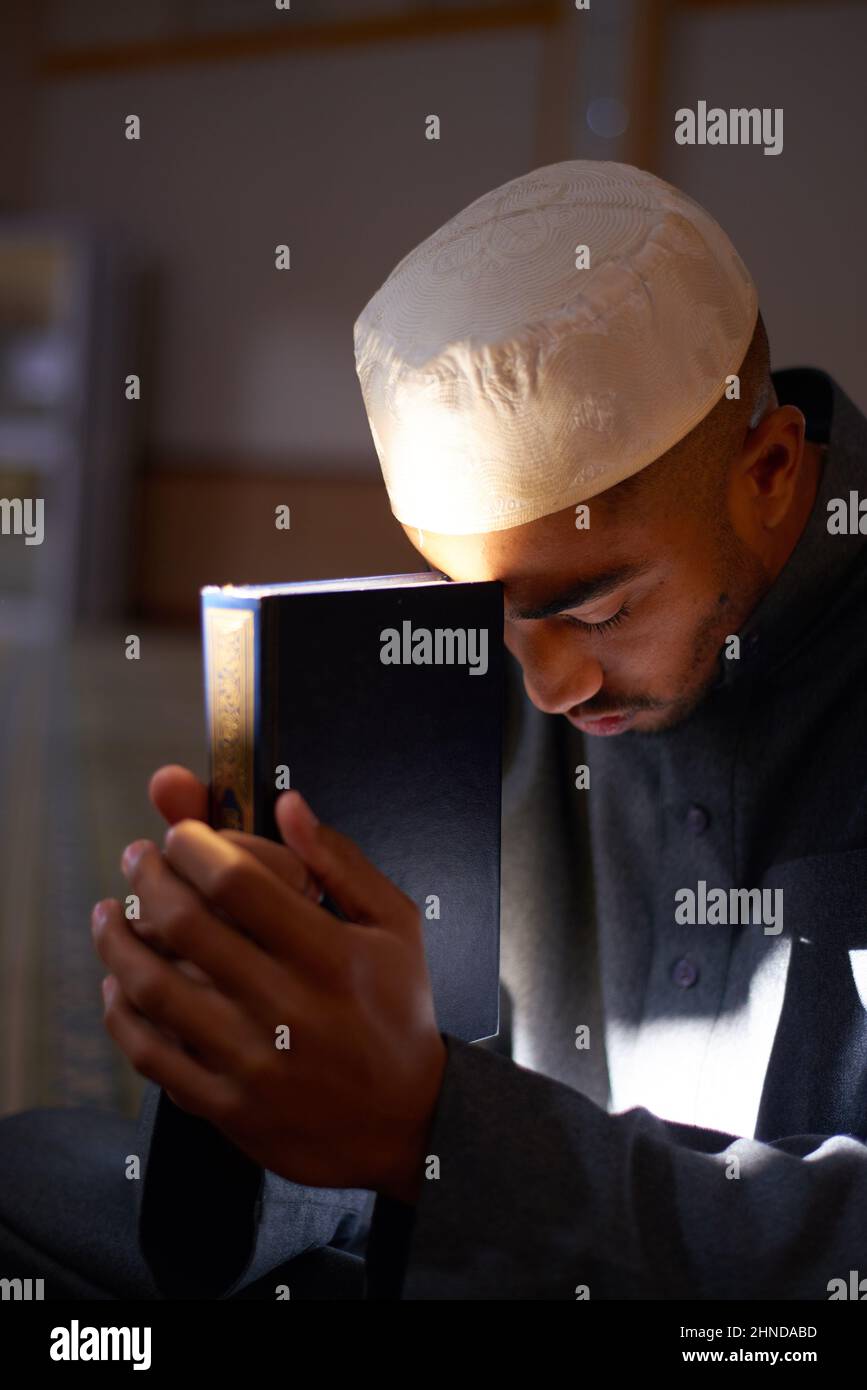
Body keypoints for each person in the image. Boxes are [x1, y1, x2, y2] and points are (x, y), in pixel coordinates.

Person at [2, 160, 866, 1300]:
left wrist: (432, 1129)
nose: (546, 686)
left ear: (765, 474)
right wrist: (261, 1034)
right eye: (489, 612)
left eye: (598, 608)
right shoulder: (472, 661)